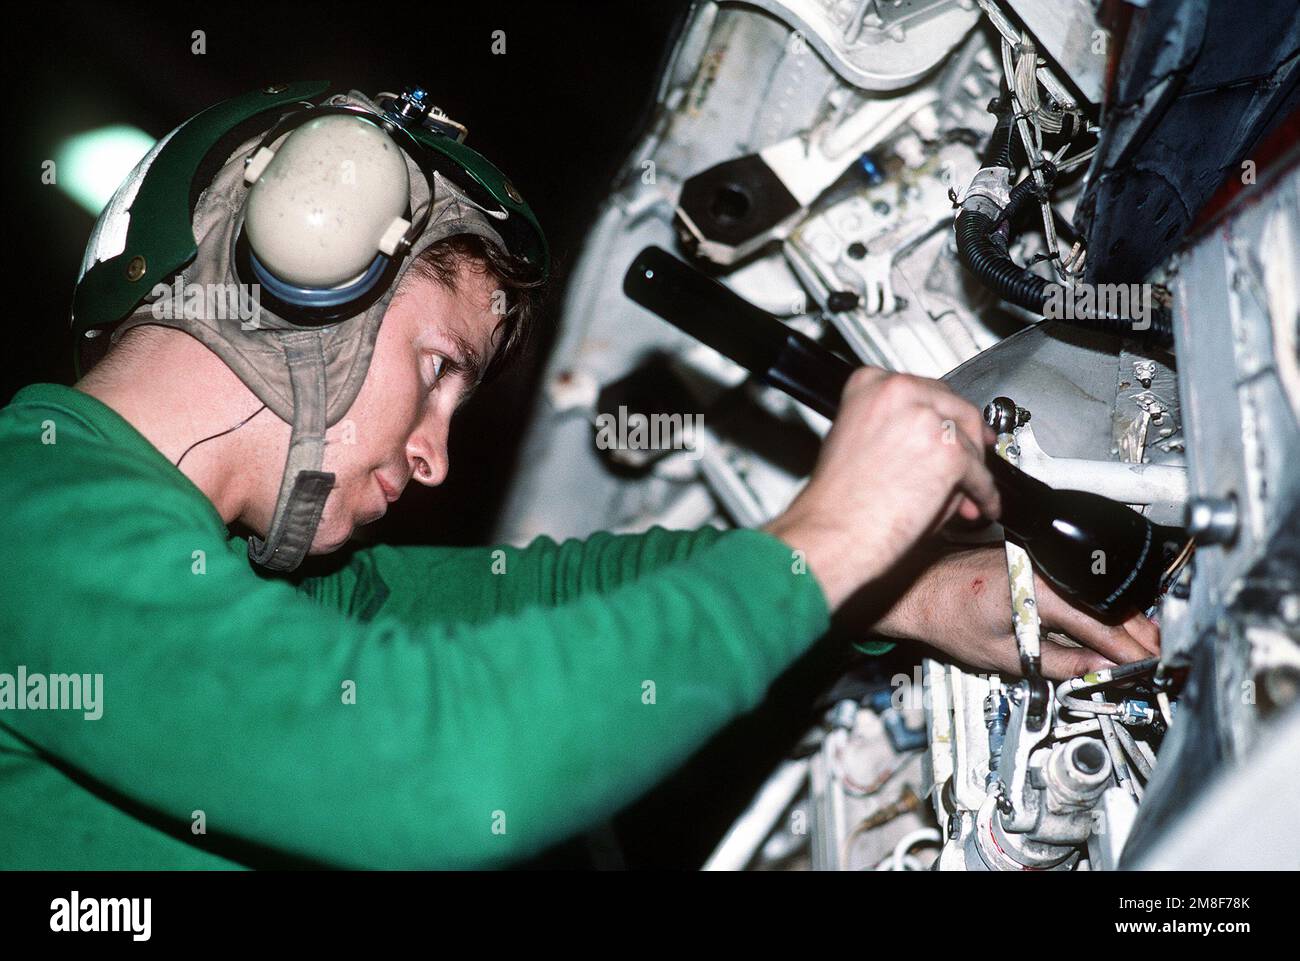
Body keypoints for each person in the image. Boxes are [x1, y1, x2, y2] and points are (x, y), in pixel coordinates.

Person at [0, 84, 1158, 869]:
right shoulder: (30, 511)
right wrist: (827, 541)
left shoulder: (248, 577)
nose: (435, 454)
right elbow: (441, 763)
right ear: (311, 261)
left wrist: (893, 587)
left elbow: (546, 593)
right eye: (438, 367)